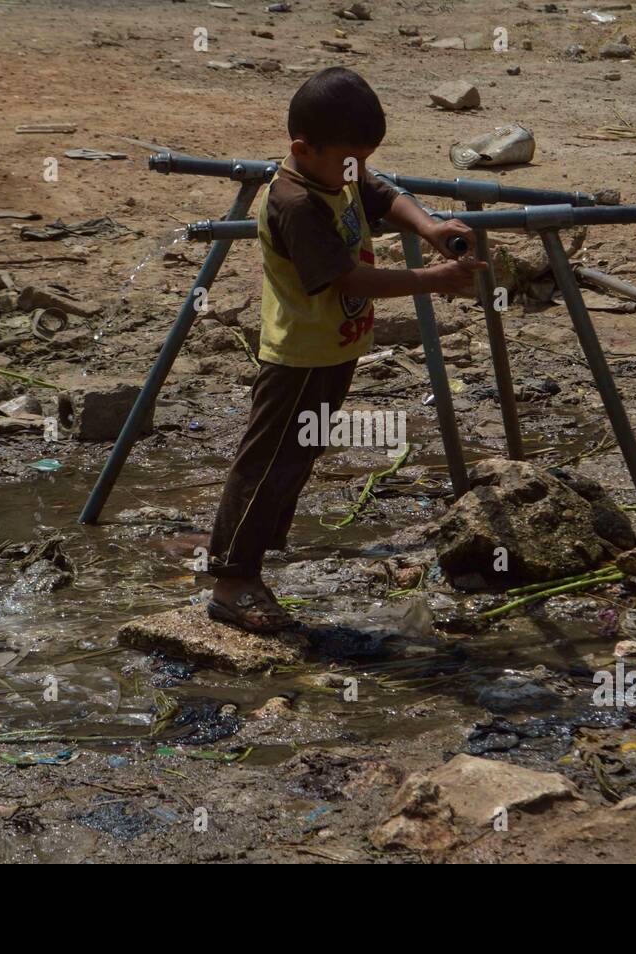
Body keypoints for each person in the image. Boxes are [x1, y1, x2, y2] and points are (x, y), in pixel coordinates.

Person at [206, 66, 486, 633]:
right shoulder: (295, 203)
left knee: (296, 459)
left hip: (333, 351)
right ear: (302, 150)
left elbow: (379, 193)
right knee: (267, 463)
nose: (355, 171)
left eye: (361, 160)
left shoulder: (340, 175)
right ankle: (232, 580)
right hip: (298, 358)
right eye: (346, 161)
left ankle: (256, 553)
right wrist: (431, 279)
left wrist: (429, 226)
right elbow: (346, 280)